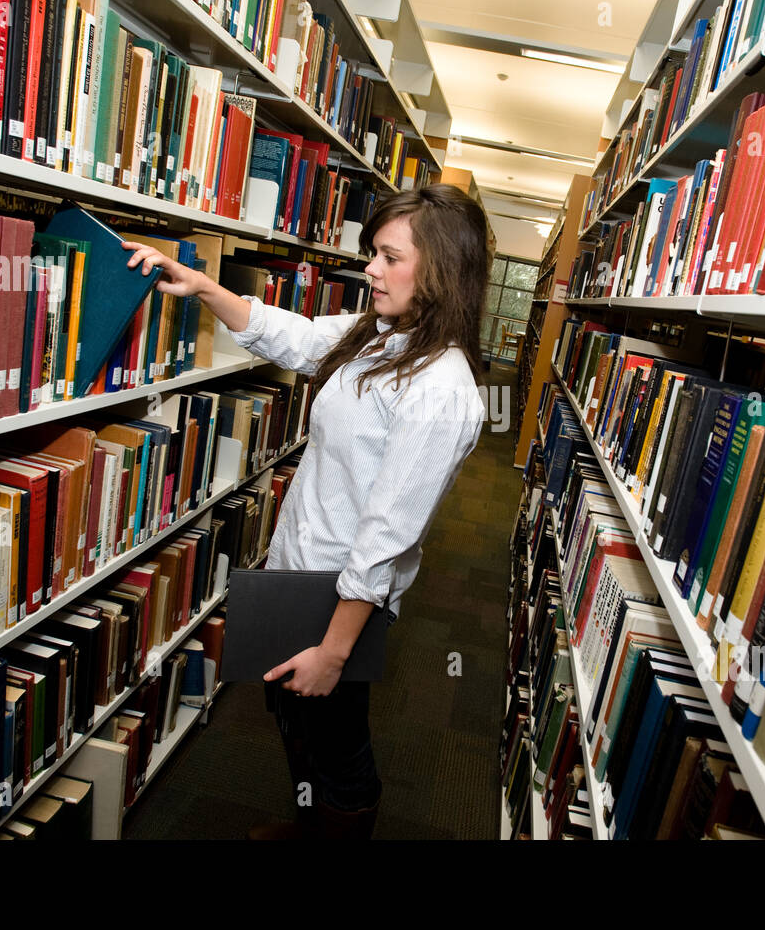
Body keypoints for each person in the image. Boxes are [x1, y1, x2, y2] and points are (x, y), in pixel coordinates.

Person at [122, 183, 490, 839]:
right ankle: (309, 820)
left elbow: (387, 536)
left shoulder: (442, 389)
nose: (370, 269)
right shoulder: (379, 336)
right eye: (372, 253)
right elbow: (292, 336)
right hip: (302, 568)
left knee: (338, 740)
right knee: (290, 710)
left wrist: (335, 651)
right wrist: (202, 284)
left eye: (389, 256)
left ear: (441, 271)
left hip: (342, 600)